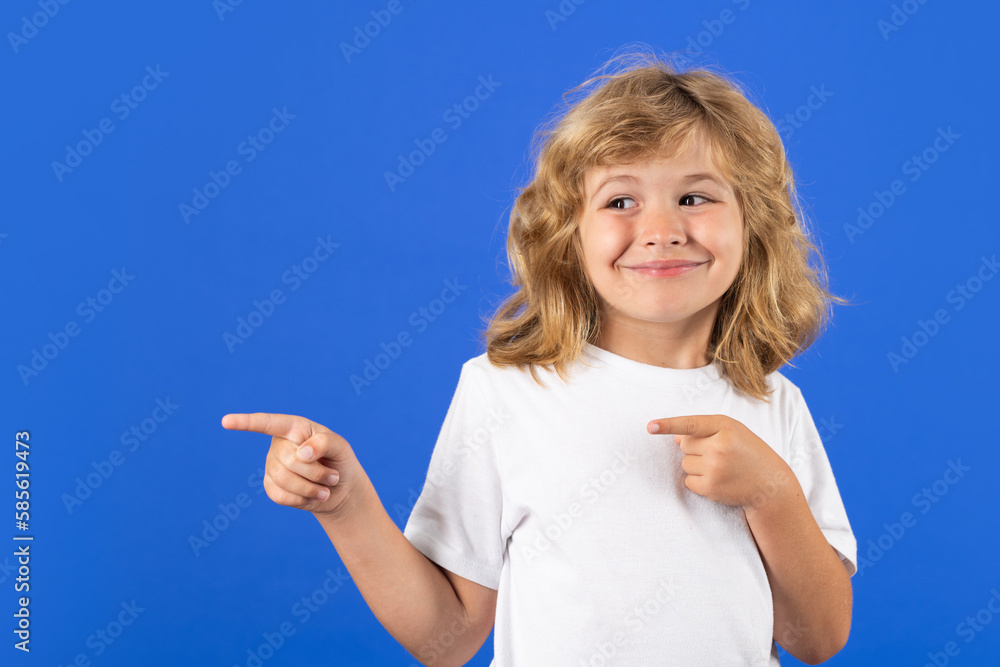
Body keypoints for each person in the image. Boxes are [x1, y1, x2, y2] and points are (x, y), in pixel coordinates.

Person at [222, 47, 857, 666]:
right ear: (567, 234)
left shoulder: (775, 406)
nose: (662, 228)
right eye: (620, 200)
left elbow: (820, 638)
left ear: (755, 226)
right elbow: (447, 638)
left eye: (695, 197)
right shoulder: (506, 393)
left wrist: (772, 494)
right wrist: (345, 503)